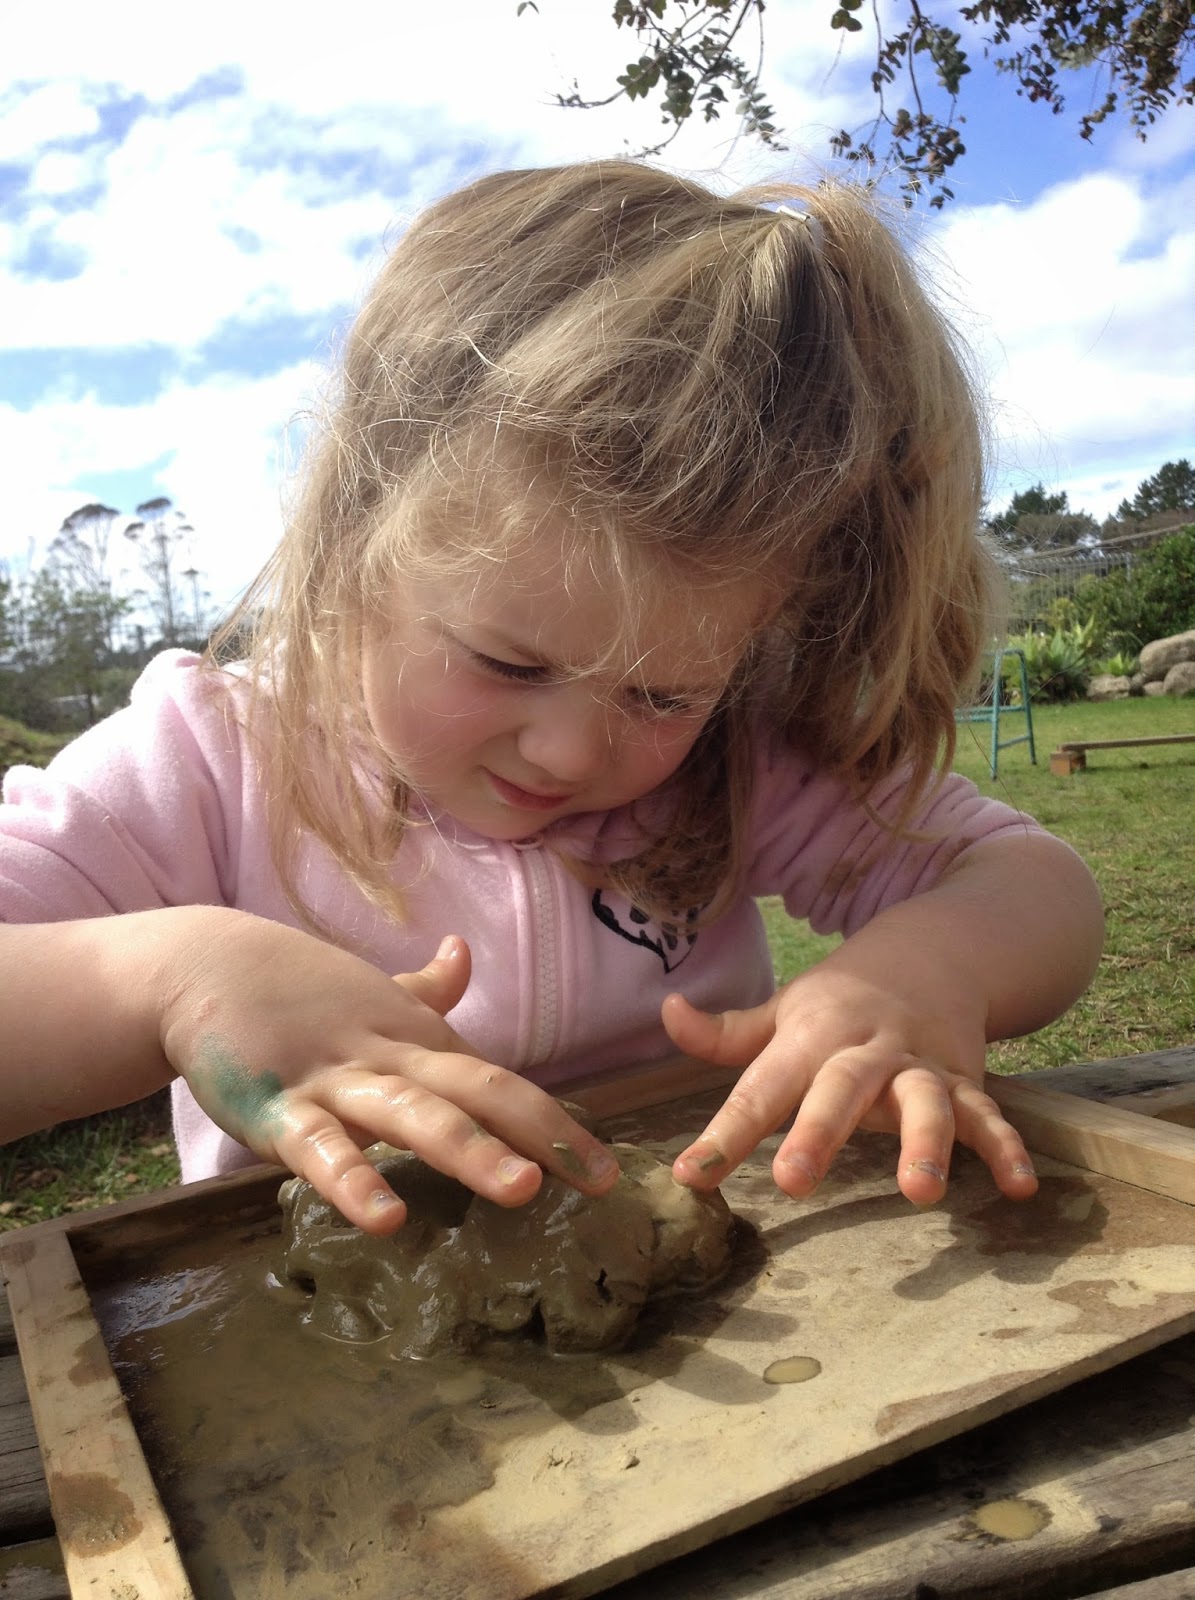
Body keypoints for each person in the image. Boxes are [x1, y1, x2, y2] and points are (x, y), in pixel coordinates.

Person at [0, 161, 1103, 1236]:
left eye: (665, 691)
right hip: (345, 1320)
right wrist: (169, 980)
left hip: (701, 1293)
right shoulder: (208, 759)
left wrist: (925, 971)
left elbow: (1031, 883)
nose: (572, 751)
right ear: (355, 547)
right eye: (507, 662)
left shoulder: (739, 761)